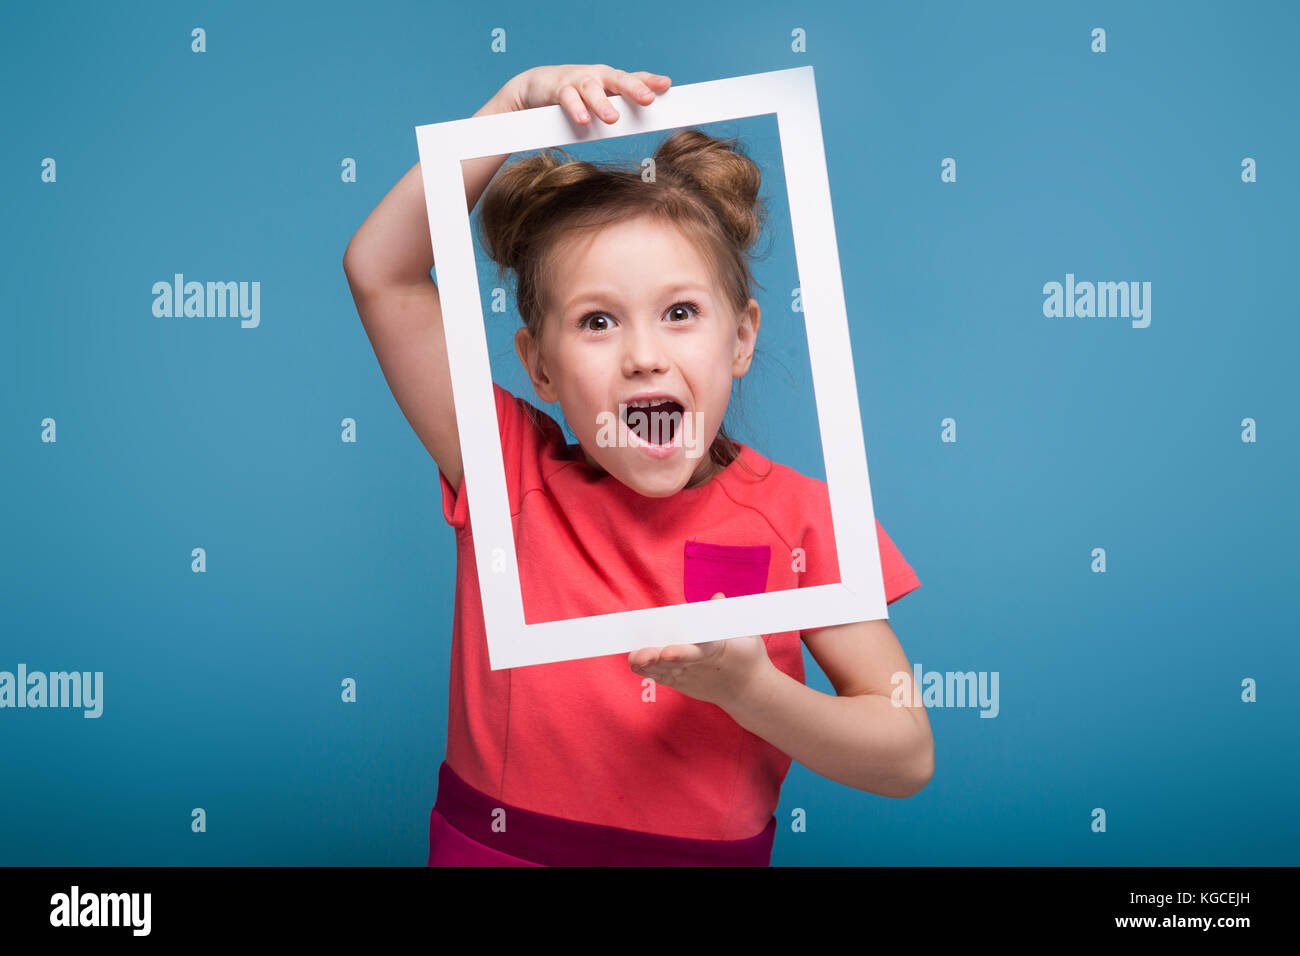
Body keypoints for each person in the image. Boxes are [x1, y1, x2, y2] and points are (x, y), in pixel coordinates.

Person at [343, 64, 933, 866]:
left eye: (681, 313)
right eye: (597, 322)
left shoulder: (804, 520)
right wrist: (511, 110)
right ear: (539, 365)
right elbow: (383, 271)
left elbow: (905, 752)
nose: (644, 357)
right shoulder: (508, 471)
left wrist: (752, 693)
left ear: (743, 337)